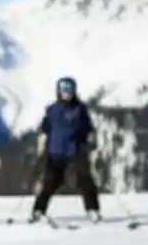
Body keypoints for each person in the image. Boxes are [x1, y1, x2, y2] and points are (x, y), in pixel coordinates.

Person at [30, 76, 101, 223]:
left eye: (69, 90)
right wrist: (42, 143)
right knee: (50, 182)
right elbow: (45, 128)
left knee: (85, 180)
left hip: (76, 150)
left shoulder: (80, 109)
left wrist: (87, 141)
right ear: (58, 91)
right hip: (55, 150)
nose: (67, 93)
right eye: (64, 90)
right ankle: (38, 211)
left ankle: (92, 210)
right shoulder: (52, 109)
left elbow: (88, 128)